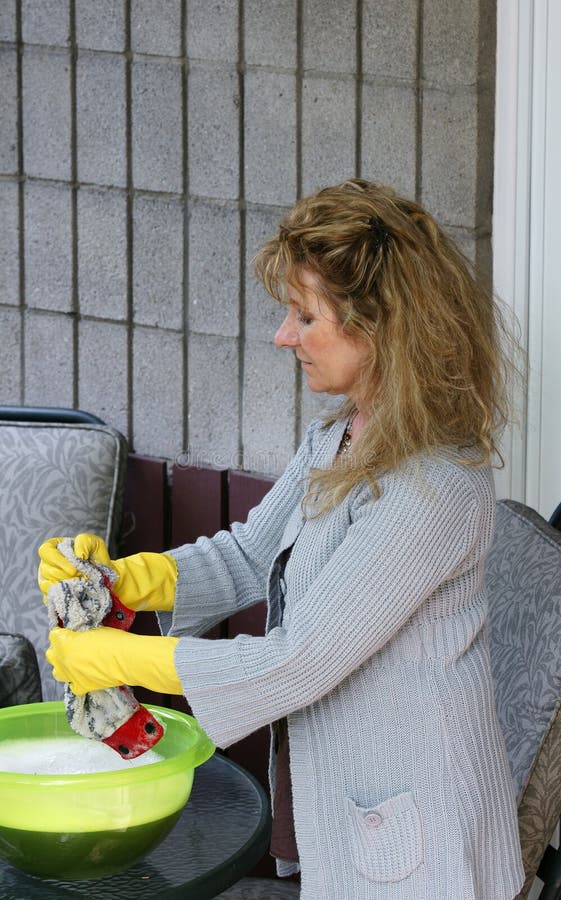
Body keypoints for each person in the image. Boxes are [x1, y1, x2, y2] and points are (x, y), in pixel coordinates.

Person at [39, 179, 524, 899]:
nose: (282, 336)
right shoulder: (338, 435)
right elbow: (247, 557)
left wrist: (125, 655)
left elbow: (296, 664)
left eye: (304, 316)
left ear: (380, 325)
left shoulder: (434, 486)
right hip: (359, 813)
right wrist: (131, 579)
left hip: (427, 846)